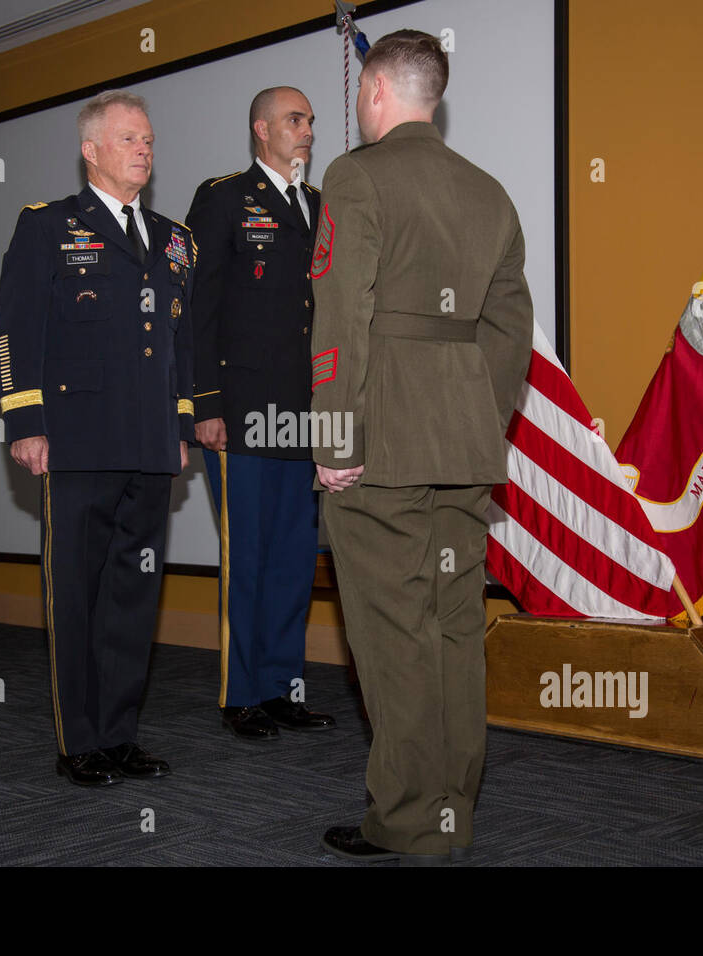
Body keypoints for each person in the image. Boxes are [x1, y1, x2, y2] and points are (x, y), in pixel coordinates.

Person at [310, 31, 535, 864]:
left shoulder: (355, 174)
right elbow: (512, 325)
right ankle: (452, 809)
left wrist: (333, 435)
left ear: (373, 89)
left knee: (392, 634)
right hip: (463, 441)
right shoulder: (489, 191)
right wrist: (479, 411)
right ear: (431, 97)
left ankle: (410, 824)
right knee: (451, 628)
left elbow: (340, 316)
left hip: (380, 444)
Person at [0, 89, 196, 786]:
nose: (144, 149)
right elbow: (15, 329)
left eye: (148, 139)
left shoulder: (175, 239)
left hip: (147, 444)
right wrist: (24, 421)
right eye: (129, 138)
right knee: (77, 596)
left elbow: (181, 342)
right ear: (91, 150)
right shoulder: (47, 226)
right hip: (74, 442)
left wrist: (180, 425)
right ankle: (79, 740)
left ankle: (118, 736)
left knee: (132, 598)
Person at [187, 87, 336, 740]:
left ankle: (280, 688)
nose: (307, 130)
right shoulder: (223, 197)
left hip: (303, 415)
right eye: (295, 120)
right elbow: (196, 306)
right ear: (261, 128)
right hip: (241, 410)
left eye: (309, 121)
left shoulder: (318, 206)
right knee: (245, 557)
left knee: (292, 558)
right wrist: (205, 404)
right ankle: (239, 693)